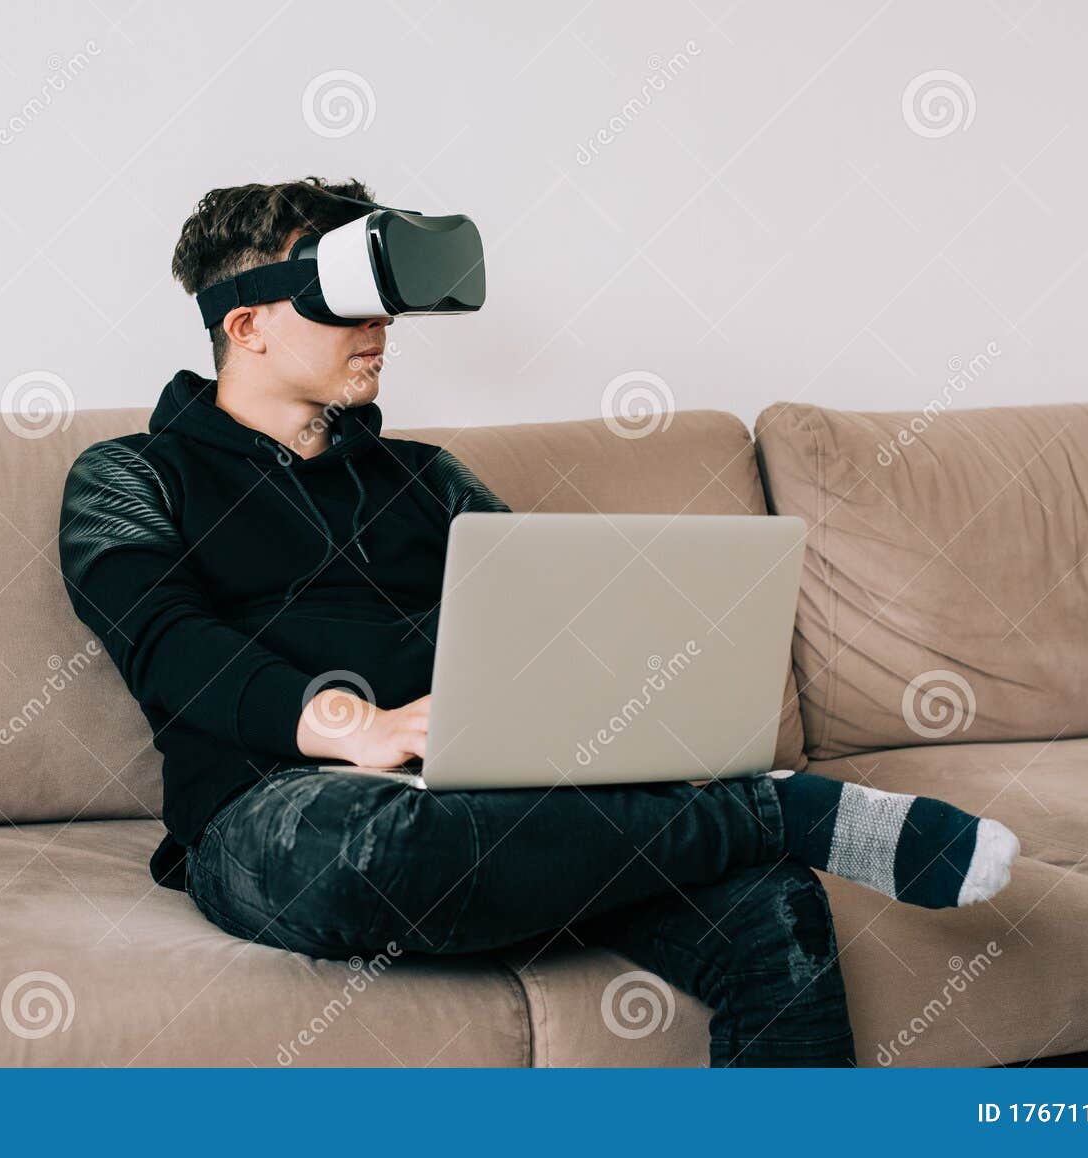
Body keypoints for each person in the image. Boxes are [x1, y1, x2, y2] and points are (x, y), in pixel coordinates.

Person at [57, 177, 1019, 1067]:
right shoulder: (130, 474)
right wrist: (359, 726)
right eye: (345, 300)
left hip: (513, 799)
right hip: (278, 807)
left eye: (383, 302)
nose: (381, 324)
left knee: (768, 904)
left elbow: (544, 619)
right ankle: (778, 810)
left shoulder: (426, 478)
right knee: (374, 853)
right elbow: (164, 640)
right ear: (248, 323)